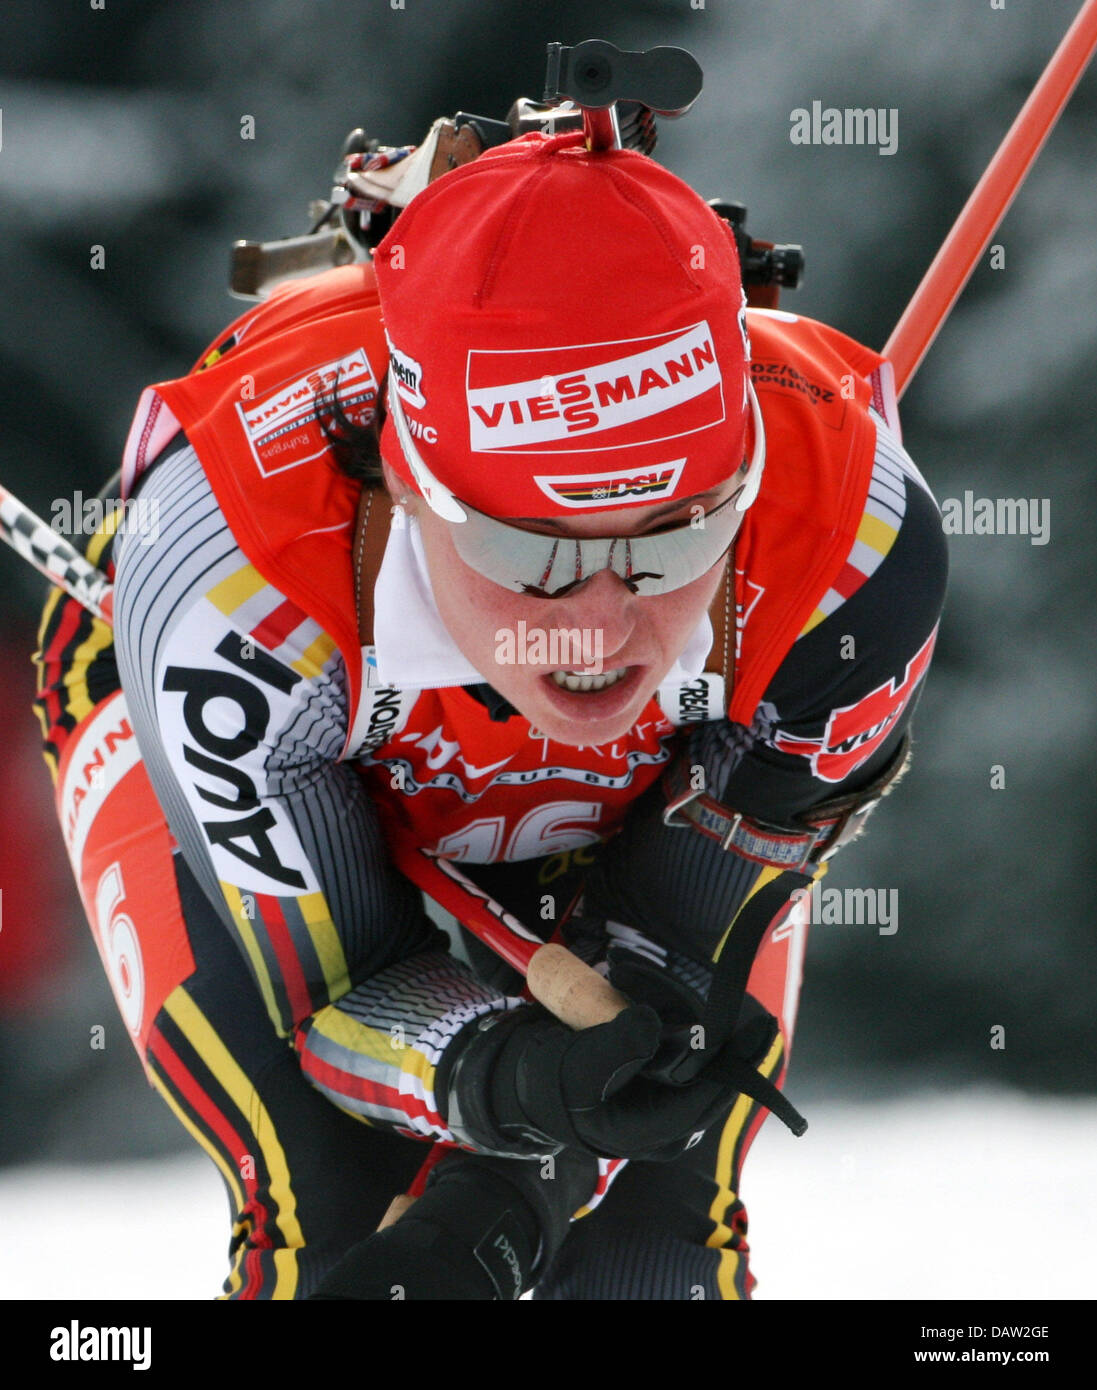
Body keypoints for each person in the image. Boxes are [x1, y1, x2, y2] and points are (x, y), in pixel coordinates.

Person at [33, 127, 947, 1299]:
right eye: (536, 554)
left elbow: (675, 941)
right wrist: (487, 1078)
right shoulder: (233, 591)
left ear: (745, 486)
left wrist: (531, 1167)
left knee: (653, 1234)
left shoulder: (853, 545)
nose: (603, 629)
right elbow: (332, 999)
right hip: (276, 714)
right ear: (412, 482)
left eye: (677, 539)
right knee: (331, 1200)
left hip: (633, 788)